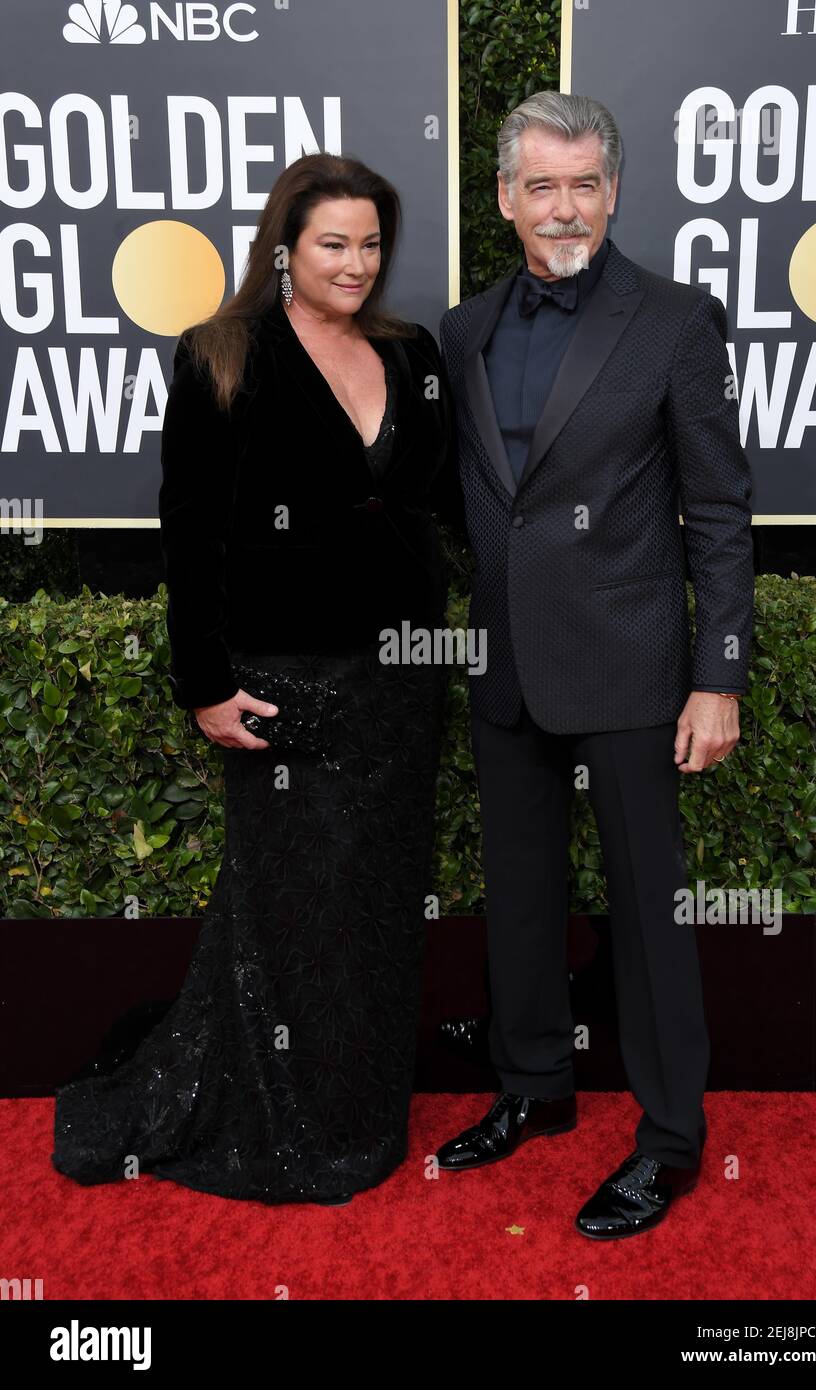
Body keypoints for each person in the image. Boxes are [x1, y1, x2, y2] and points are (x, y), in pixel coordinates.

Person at [52, 152, 465, 1207]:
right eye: (333, 242)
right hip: (284, 684)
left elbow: (445, 504)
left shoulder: (412, 351)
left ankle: (358, 1105)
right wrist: (201, 684)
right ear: (283, 248)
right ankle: (287, 1117)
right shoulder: (222, 353)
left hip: (400, 682)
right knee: (291, 914)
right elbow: (188, 537)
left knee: (374, 907)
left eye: (371, 243)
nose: (355, 264)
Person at [434, 92, 754, 1239]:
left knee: (647, 914)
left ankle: (669, 1141)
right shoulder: (463, 331)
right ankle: (533, 1089)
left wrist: (716, 674)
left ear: (612, 192)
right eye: (541, 186)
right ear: (507, 198)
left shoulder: (673, 320)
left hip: (629, 666)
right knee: (517, 898)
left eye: (584, 184)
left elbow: (717, 505)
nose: (563, 206)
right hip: (506, 664)